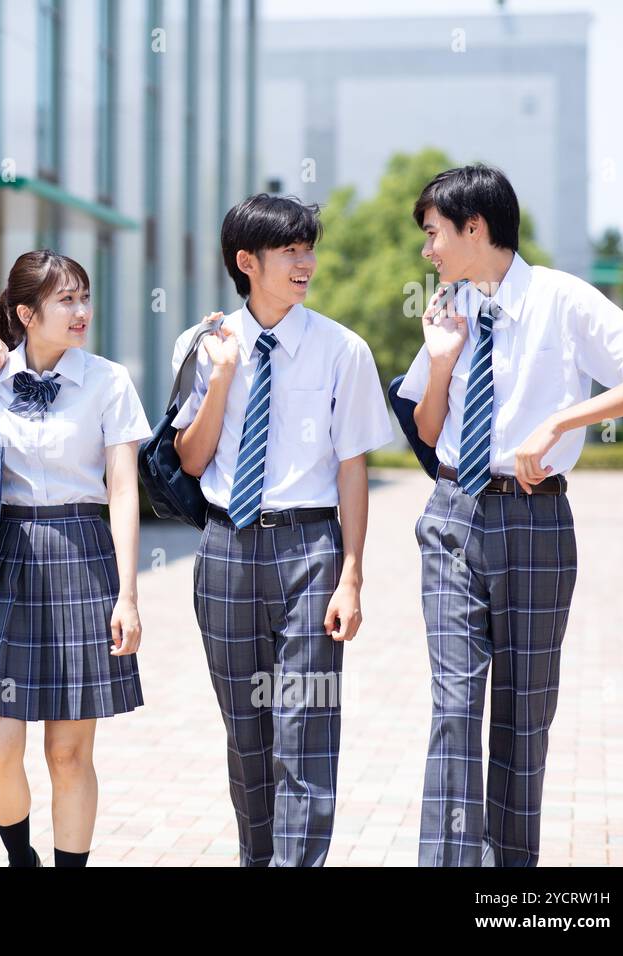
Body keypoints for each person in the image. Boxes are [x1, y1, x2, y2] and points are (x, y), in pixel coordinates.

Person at [399, 164, 623, 866]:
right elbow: (426, 430)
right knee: (454, 709)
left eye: (433, 234)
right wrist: (442, 362)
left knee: (523, 715)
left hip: (536, 523)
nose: (428, 251)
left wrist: (559, 423)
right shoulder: (446, 305)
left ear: (474, 227)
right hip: (452, 515)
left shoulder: (562, 299)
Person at [0, 250, 151, 867]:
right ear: (25, 312)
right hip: (4, 560)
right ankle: (22, 858)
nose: (81, 311)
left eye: (83, 297)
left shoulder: (107, 379)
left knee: (68, 755)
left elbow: (122, 489)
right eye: (65, 299)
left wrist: (128, 594)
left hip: (80, 556)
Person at [173, 194, 394, 866]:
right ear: (248, 262)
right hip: (225, 549)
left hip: (311, 552)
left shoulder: (342, 349)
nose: (307, 262)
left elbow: (353, 468)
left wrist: (351, 575)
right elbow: (189, 458)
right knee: (247, 734)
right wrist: (222, 379)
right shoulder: (201, 345)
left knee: (305, 729)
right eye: (290, 250)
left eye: (309, 248)